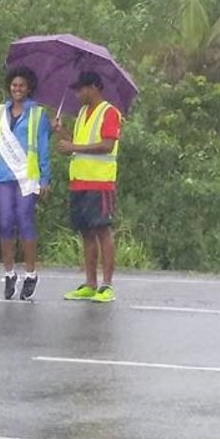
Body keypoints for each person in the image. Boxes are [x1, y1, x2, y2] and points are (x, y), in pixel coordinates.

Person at [0, 66, 52, 300]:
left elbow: (43, 147)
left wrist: (45, 178)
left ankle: (31, 273)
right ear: (9, 87)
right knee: (4, 223)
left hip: (27, 175)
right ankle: (9, 273)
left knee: (25, 222)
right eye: (14, 85)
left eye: (22, 85)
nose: (17, 89)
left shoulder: (38, 114)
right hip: (3, 175)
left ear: (29, 87)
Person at [54, 71, 122, 303]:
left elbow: (106, 144)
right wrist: (62, 133)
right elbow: (79, 142)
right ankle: (90, 283)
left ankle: (107, 285)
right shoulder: (83, 113)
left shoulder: (109, 112)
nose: (77, 94)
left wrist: (73, 146)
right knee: (86, 232)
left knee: (103, 230)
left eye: (81, 89)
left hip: (100, 182)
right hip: (79, 181)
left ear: (93, 87)